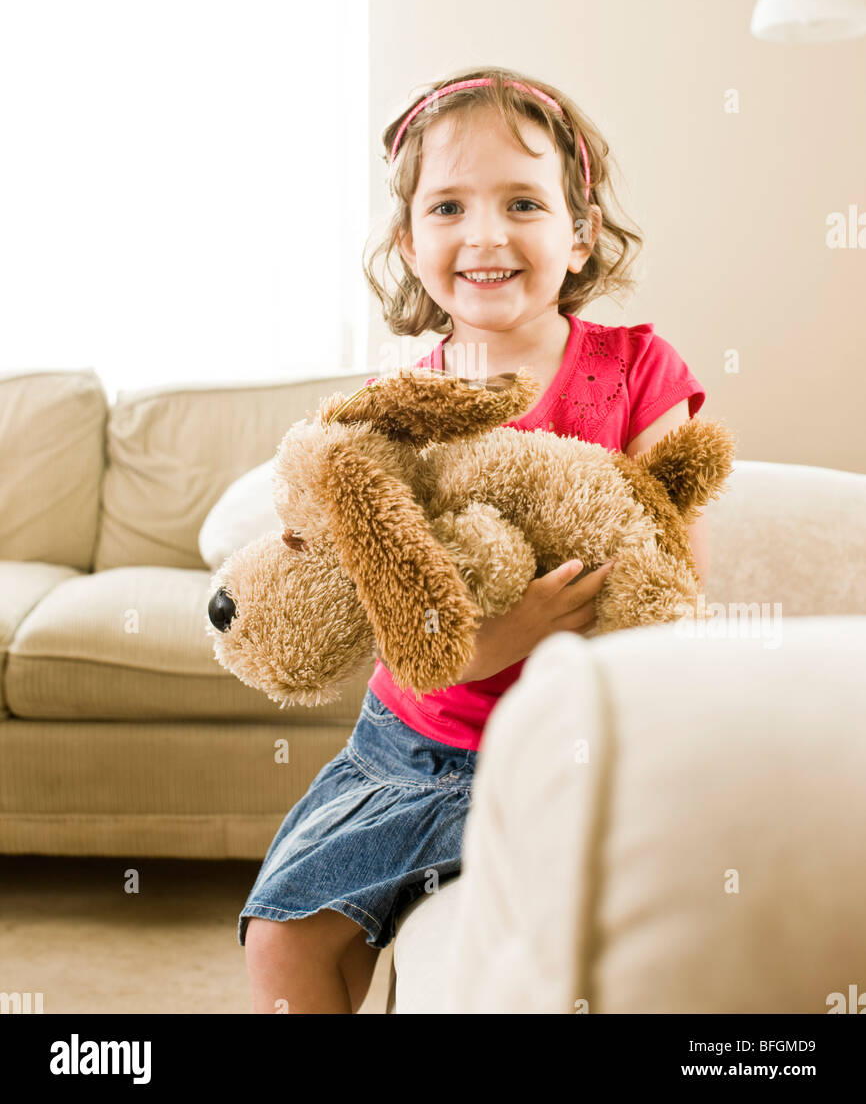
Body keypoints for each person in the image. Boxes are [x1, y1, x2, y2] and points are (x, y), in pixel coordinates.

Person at [239, 64, 708, 1013]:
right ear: (410, 245)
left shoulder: (636, 370)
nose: (485, 235)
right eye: (448, 207)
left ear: (578, 236)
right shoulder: (391, 414)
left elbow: (672, 580)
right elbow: (368, 597)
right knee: (282, 940)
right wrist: (490, 642)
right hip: (407, 741)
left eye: (522, 202)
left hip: (567, 747)